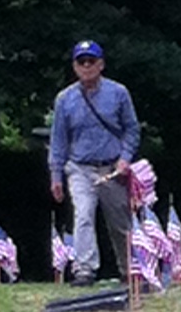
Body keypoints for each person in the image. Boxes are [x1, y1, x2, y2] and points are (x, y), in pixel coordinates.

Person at [48, 41, 138, 283]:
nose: (86, 66)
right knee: (84, 216)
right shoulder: (65, 99)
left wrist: (125, 159)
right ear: (75, 67)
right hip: (80, 168)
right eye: (81, 62)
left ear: (101, 64)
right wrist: (56, 175)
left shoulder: (119, 93)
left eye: (91, 61)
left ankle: (130, 268)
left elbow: (132, 130)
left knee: (120, 222)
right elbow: (58, 140)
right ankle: (85, 269)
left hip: (112, 168)